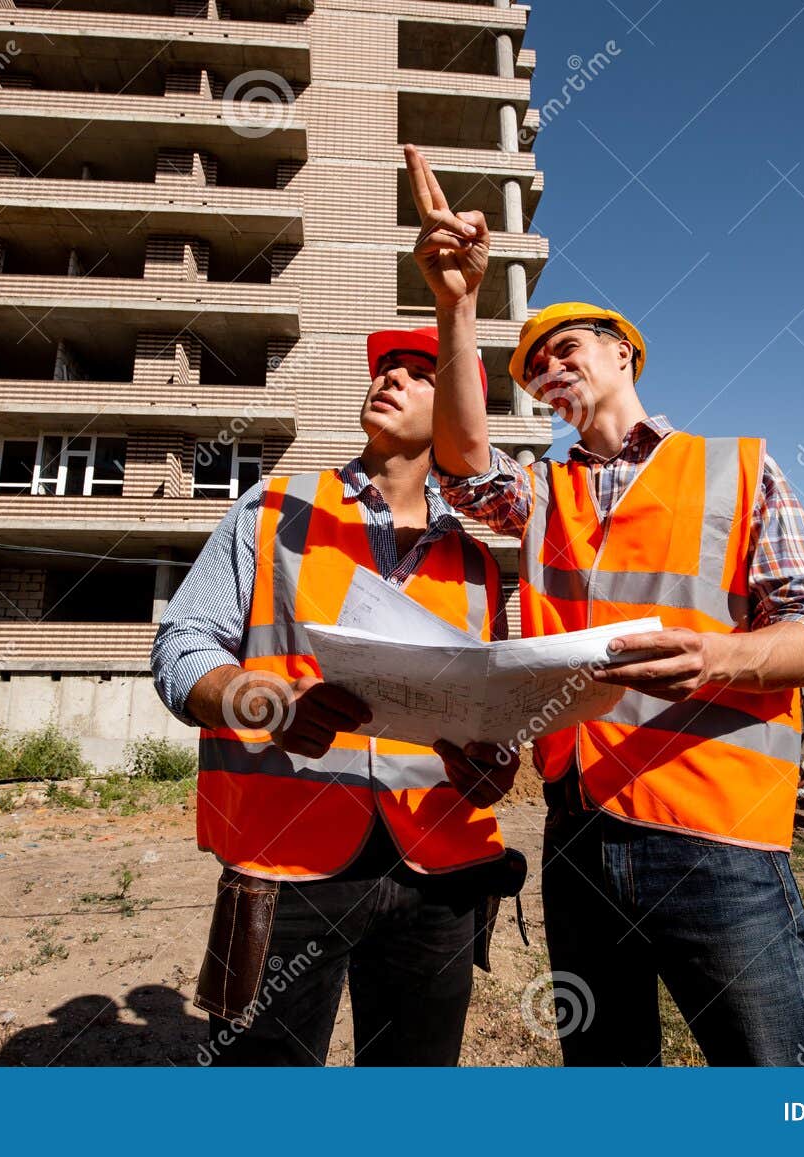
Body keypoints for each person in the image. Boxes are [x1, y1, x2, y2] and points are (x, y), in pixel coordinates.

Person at [406, 143, 804, 1066]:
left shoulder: (739, 467)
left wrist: (719, 657)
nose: (549, 367)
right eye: (532, 369)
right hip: (581, 834)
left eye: (565, 347)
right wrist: (456, 307)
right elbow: (456, 463)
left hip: (717, 835)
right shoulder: (540, 492)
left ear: (620, 351)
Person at [151, 325, 517, 1066]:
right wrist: (269, 705)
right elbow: (179, 646)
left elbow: (495, 719)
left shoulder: (477, 564)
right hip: (284, 867)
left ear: (457, 414)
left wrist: (496, 766)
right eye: (387, 369)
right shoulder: (274, 507)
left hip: (439, 874)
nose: (389, 378)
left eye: (419, 374)